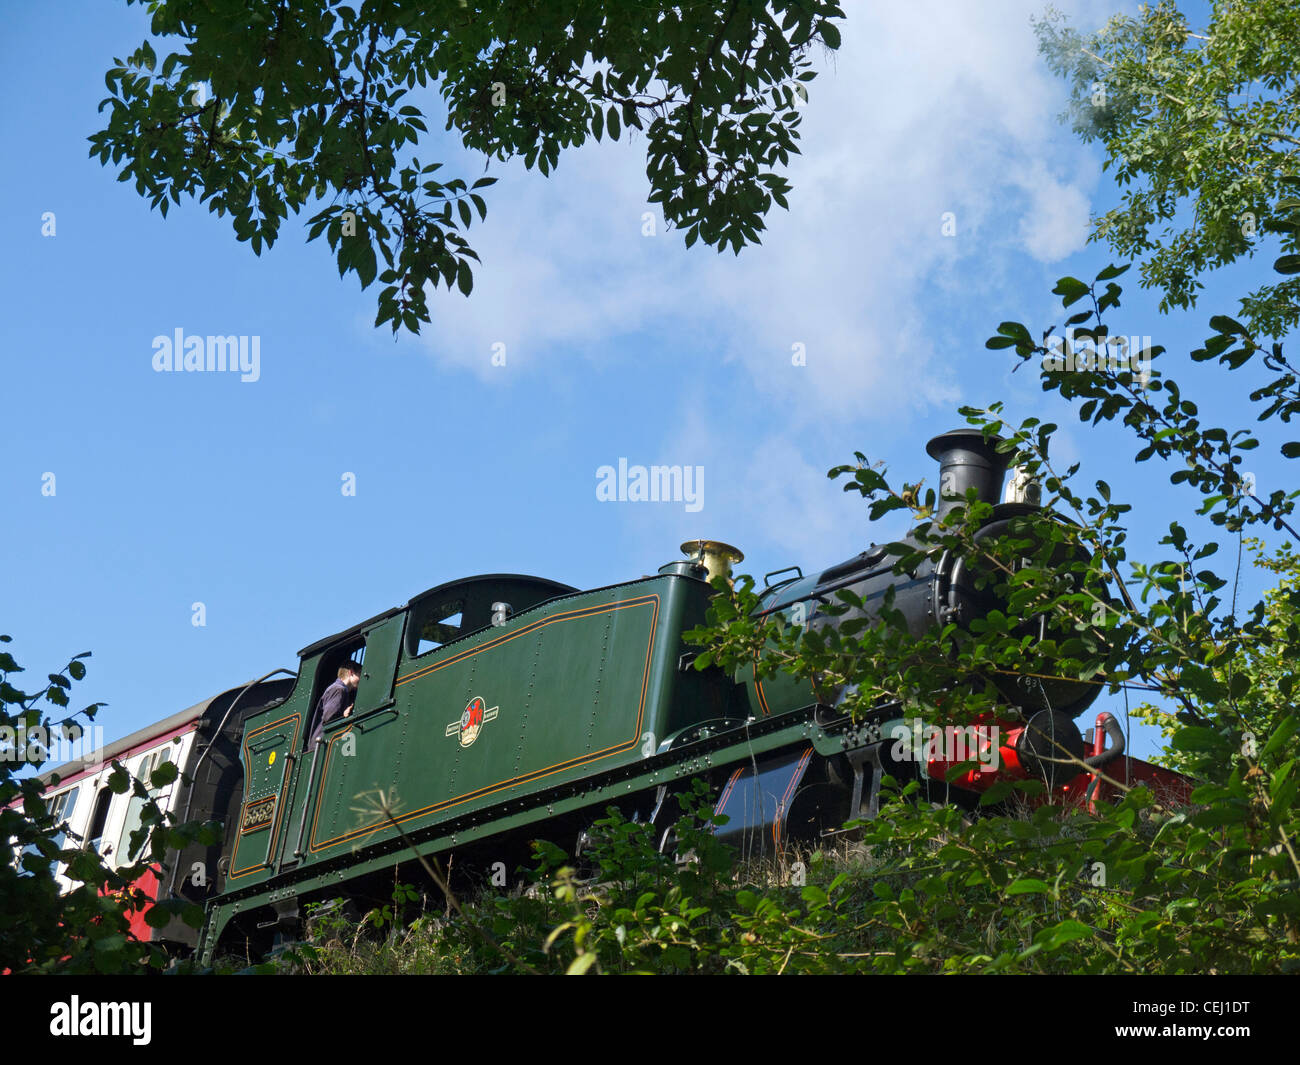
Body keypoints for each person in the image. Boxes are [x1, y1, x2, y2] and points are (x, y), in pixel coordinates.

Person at [309, 662, 361, 747]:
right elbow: (330, 718)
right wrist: (345, 716)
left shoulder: (341, 690)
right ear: (351, 672)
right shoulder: (338, 689)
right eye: (359, 674)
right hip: (322, 744)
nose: (361, 678)